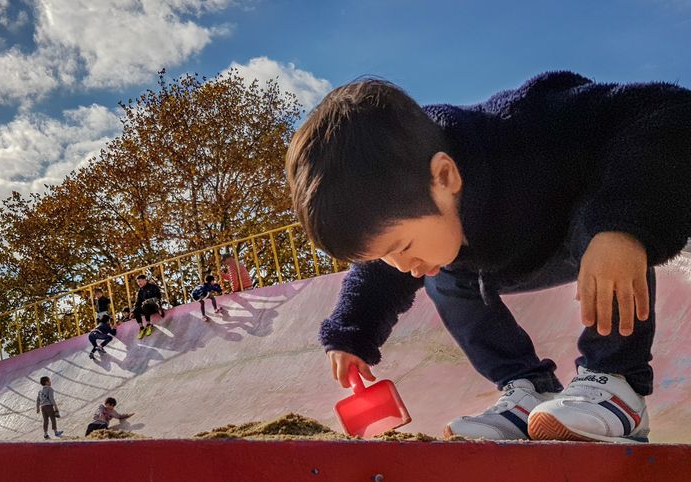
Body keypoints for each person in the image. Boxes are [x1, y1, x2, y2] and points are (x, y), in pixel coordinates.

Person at [286, 72, 691, 443]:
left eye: (401, 247)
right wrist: (350, 334)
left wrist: (623, 225)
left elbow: (666, 110)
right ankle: (529, 389)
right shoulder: (412, 204)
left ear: (445, 176)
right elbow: (379, 273)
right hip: (515, 254)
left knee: (606, 225)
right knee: (439, 275)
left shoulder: (527, 126)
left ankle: (617, 383)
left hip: (592, 231)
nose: (400, 265)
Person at [133, 274, 165, 339]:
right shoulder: (140, 291)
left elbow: (158, 297)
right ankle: (141, 327)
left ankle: (148, 324)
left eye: (140, 281)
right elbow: (138, 302)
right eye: (138, 282)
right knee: (136, 310)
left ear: (145, 280)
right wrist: (132, 311)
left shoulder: (153, 286)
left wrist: (148, 301)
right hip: (146, 309)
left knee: (145, 305)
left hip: (153, 305)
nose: (139, 283)